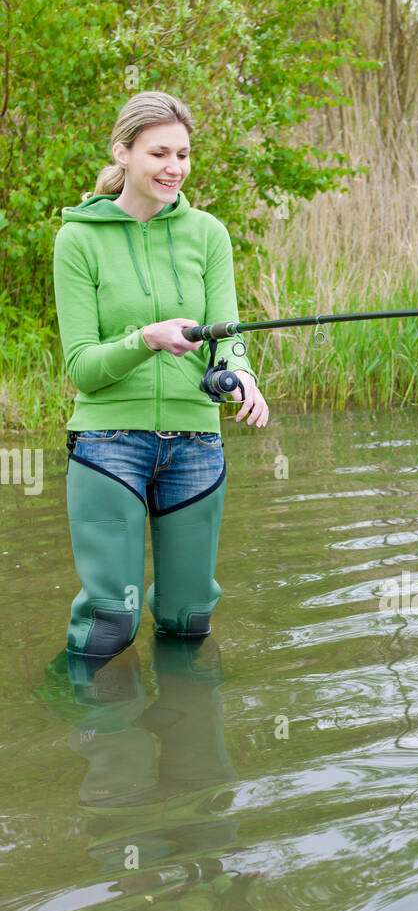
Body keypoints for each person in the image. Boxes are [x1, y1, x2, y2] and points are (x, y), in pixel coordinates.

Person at [53, 90, 269, 660]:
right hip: (107, 444)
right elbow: (82, 367)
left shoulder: (208, 234)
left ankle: (185, 730)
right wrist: (145, 339)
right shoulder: (77, 238)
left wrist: (241, 374)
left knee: (188, 617)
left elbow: (229, 337)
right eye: (158, 154)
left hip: (196, 442)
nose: (174, 167)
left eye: (183, 154)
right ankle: (75, 719)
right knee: (110, 622)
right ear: (122, 153)